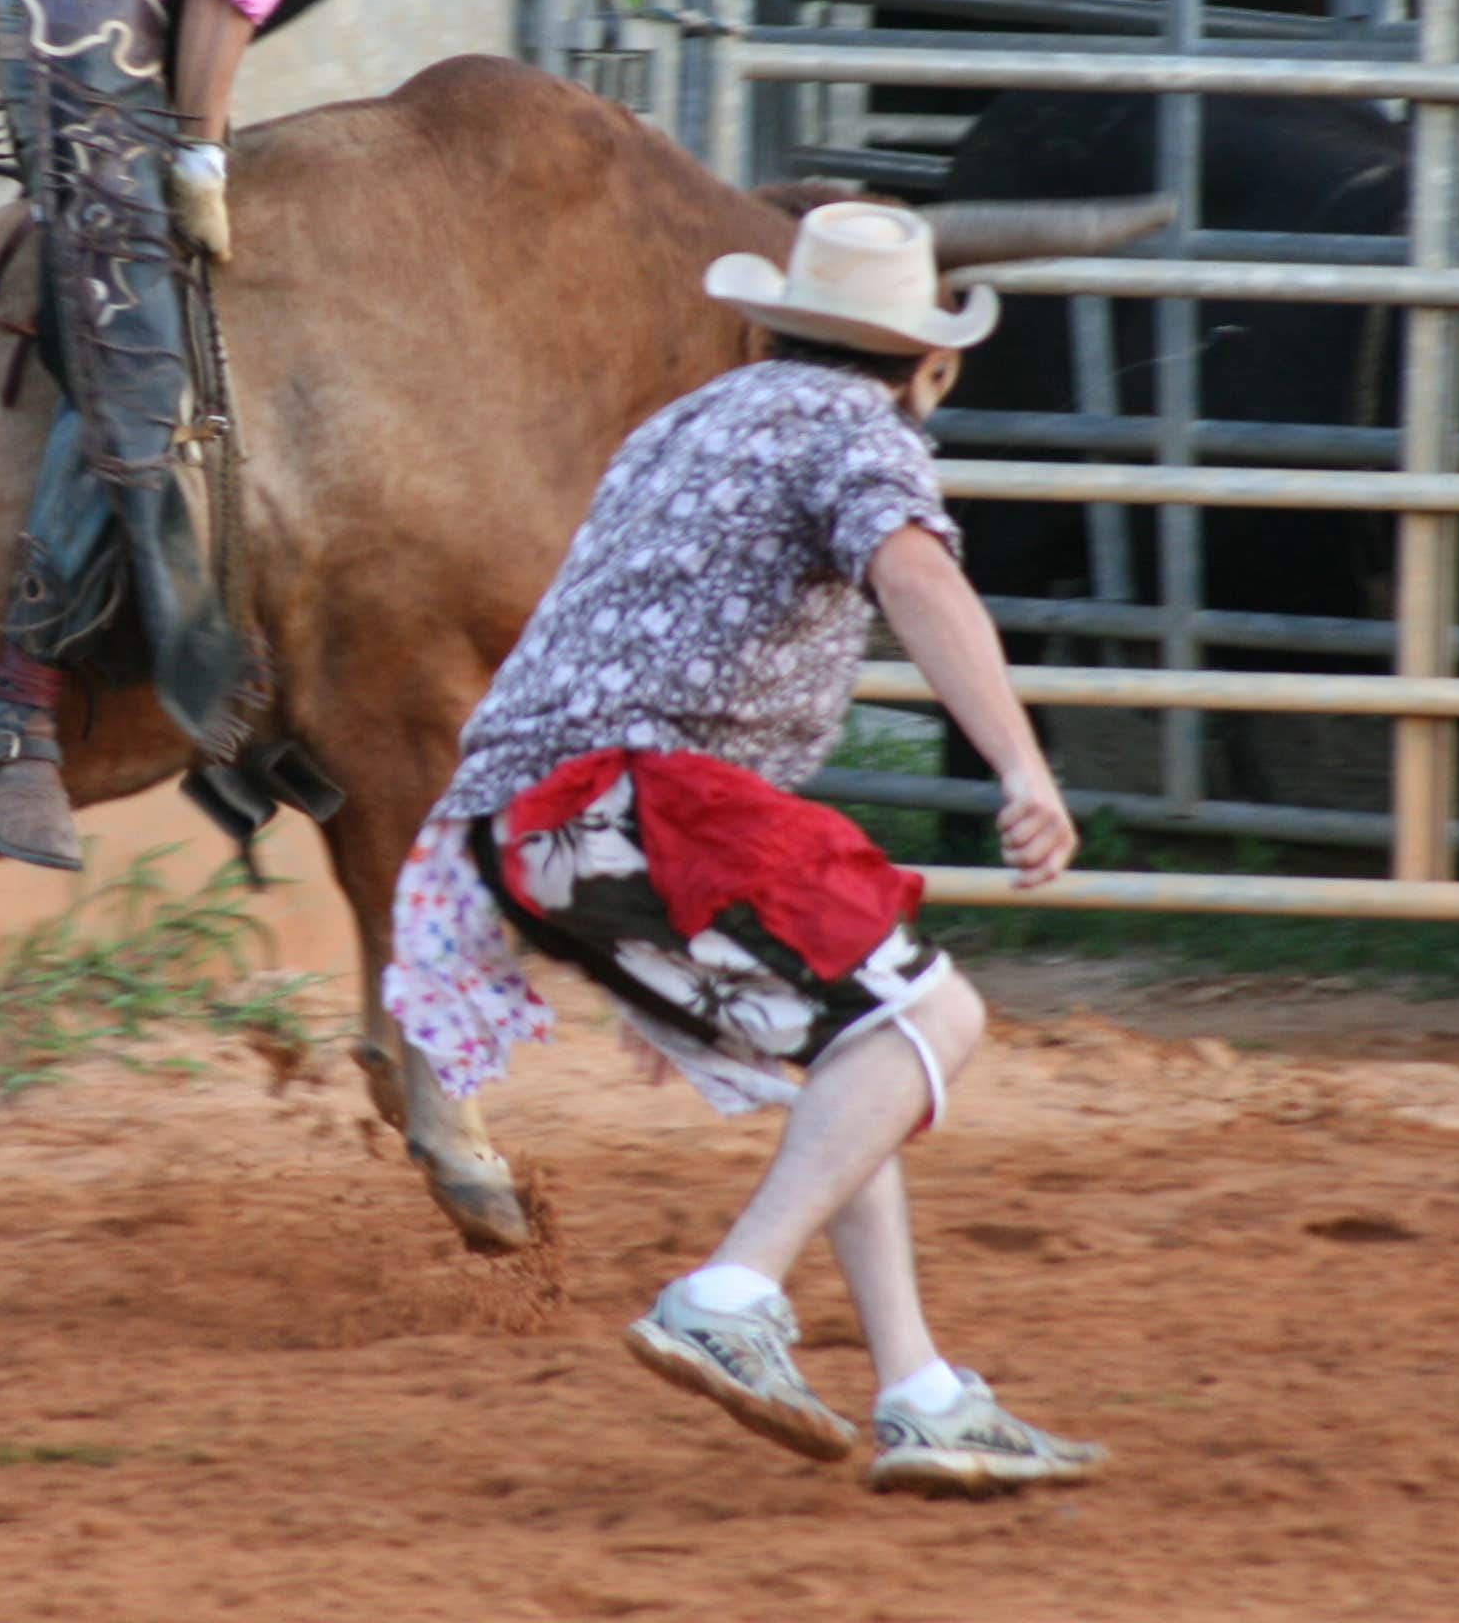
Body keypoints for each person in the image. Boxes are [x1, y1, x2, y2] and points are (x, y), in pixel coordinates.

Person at [382, 198, 1106, 1498]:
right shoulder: (856, 431)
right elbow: (919, 579)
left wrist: (631, 933)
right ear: (931, 363)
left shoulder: (683, 424)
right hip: (642, 799)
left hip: (519, 829)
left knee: (852, 1059)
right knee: (934, 1021)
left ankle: (923, 1393)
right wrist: (1023, 764)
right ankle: (729, 1293)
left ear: (783, 325)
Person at [0, 0, 571, 868]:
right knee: (141, 362)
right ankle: (14, 718)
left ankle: (216, 690)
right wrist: (199, 148)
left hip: (97, 6)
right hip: (92, 14)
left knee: (196, 338)